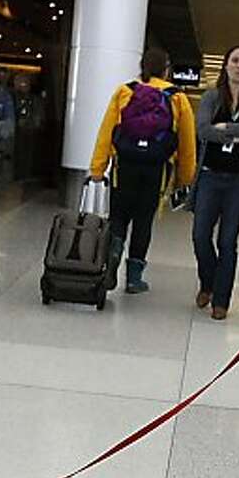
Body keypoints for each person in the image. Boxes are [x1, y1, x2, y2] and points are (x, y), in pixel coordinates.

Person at [88, 46, 198, 295]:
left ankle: (113, 255)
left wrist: (98, 167)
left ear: (142, 66)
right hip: (156, 169)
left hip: (123, 165)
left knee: (118, 216)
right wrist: (185, 178)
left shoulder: (125, 91)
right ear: (166, 70)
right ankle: (134, 279)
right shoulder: (177, 98)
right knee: (143, 220)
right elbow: (187, 143)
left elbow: (106, 131)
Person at [190, 45, 239, 319]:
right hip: (210, 177)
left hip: (238, 182)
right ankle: (207, 283)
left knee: (227, 242)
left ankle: (221, 300)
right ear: (225, 65)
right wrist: (236, 135)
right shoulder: (212, 96)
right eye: (235, 60)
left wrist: (224, 128)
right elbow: (202, 131)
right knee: (200, 236)